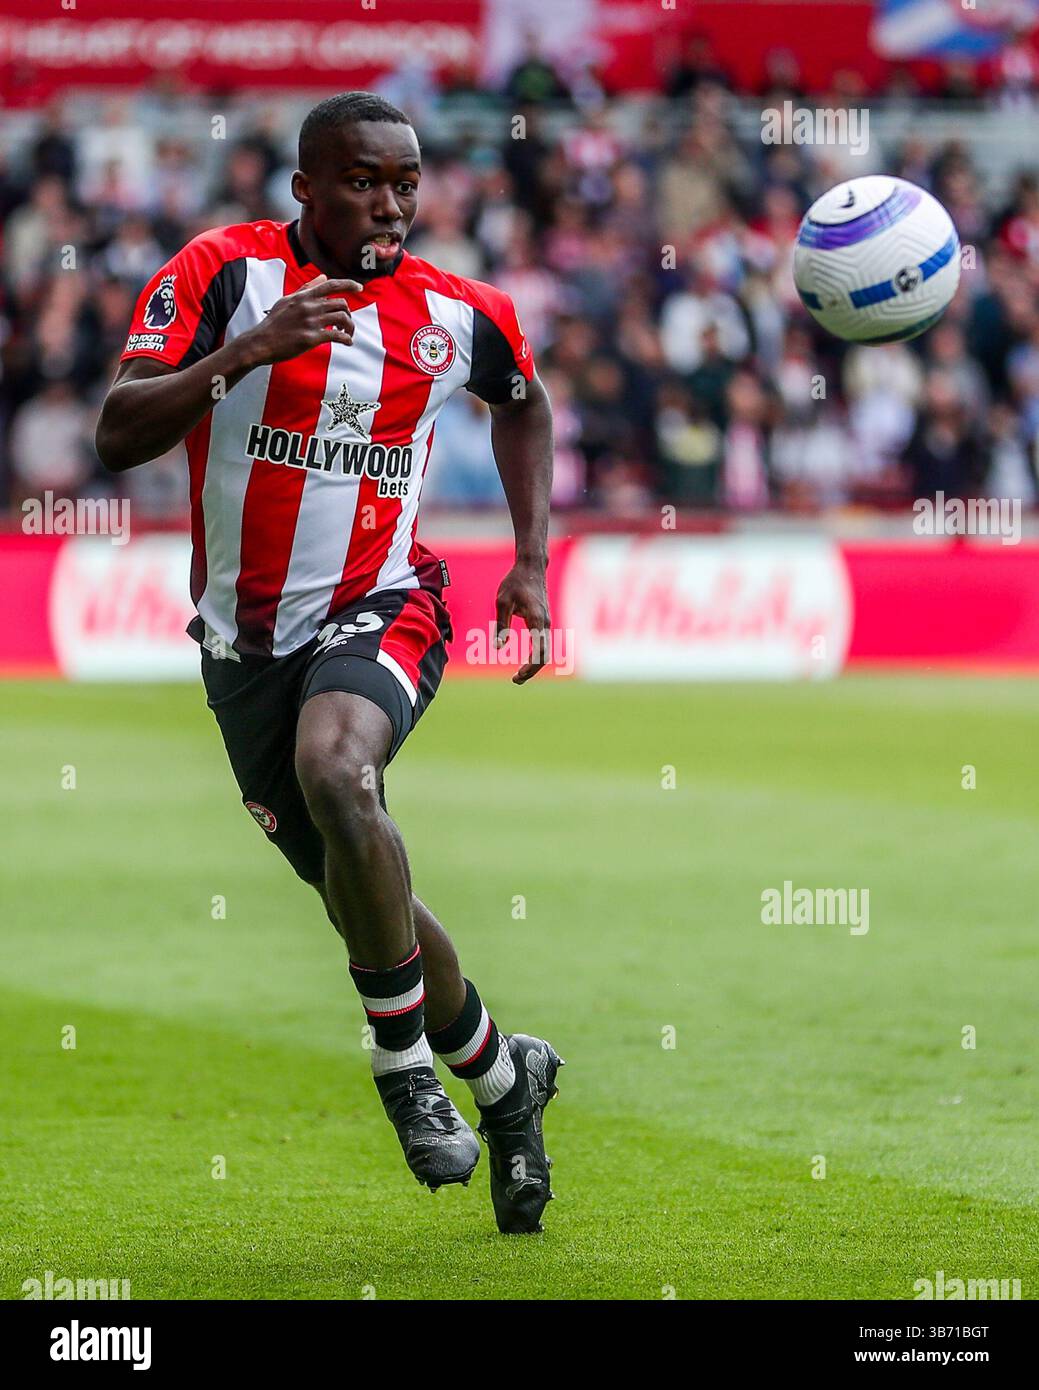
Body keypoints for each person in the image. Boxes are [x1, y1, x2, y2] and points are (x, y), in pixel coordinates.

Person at [95, 92, 563, 1235]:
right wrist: (247, 352)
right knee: (364, 894)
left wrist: (532, 560)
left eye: (405, 182)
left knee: (339, 770)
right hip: (243, 645)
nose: (390, 204)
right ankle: (506, 1083)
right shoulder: (219, 274)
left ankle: (402, 1071)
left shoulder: (458, 311)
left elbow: (524, 403)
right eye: (363, 181)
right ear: (305, 188)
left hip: (386, 605)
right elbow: (116, 432)